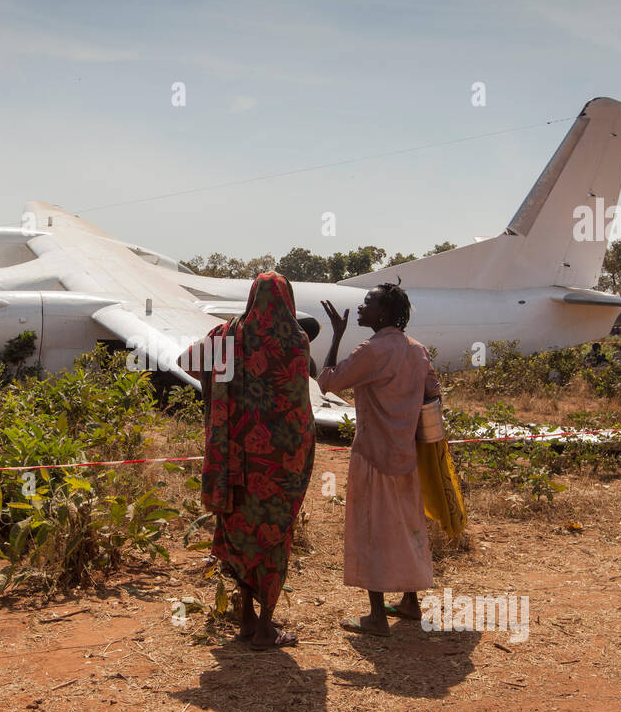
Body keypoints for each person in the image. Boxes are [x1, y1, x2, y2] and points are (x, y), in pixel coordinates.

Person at [179, 272, 315, 650]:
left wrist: (218, 383)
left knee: (239, 531)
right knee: (274, 537)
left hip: (235, 459)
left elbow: (184, 361)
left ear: (252, 298)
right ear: (288, 300)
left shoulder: (225, 336)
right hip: (282, 461)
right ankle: (265, 626)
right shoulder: (297, 341)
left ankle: (246, 618)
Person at [319, 283, 440, 637]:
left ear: (384, 313)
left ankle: (376, 616)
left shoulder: (371, 350)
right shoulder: (417, 351)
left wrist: (336, 337)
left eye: (368, 303)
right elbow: (433, 391)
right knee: (405, 527)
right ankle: (410, 602)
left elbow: (329, 382)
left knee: (371, 529)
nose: (361, 307)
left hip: (373, 455)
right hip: (407, 454)